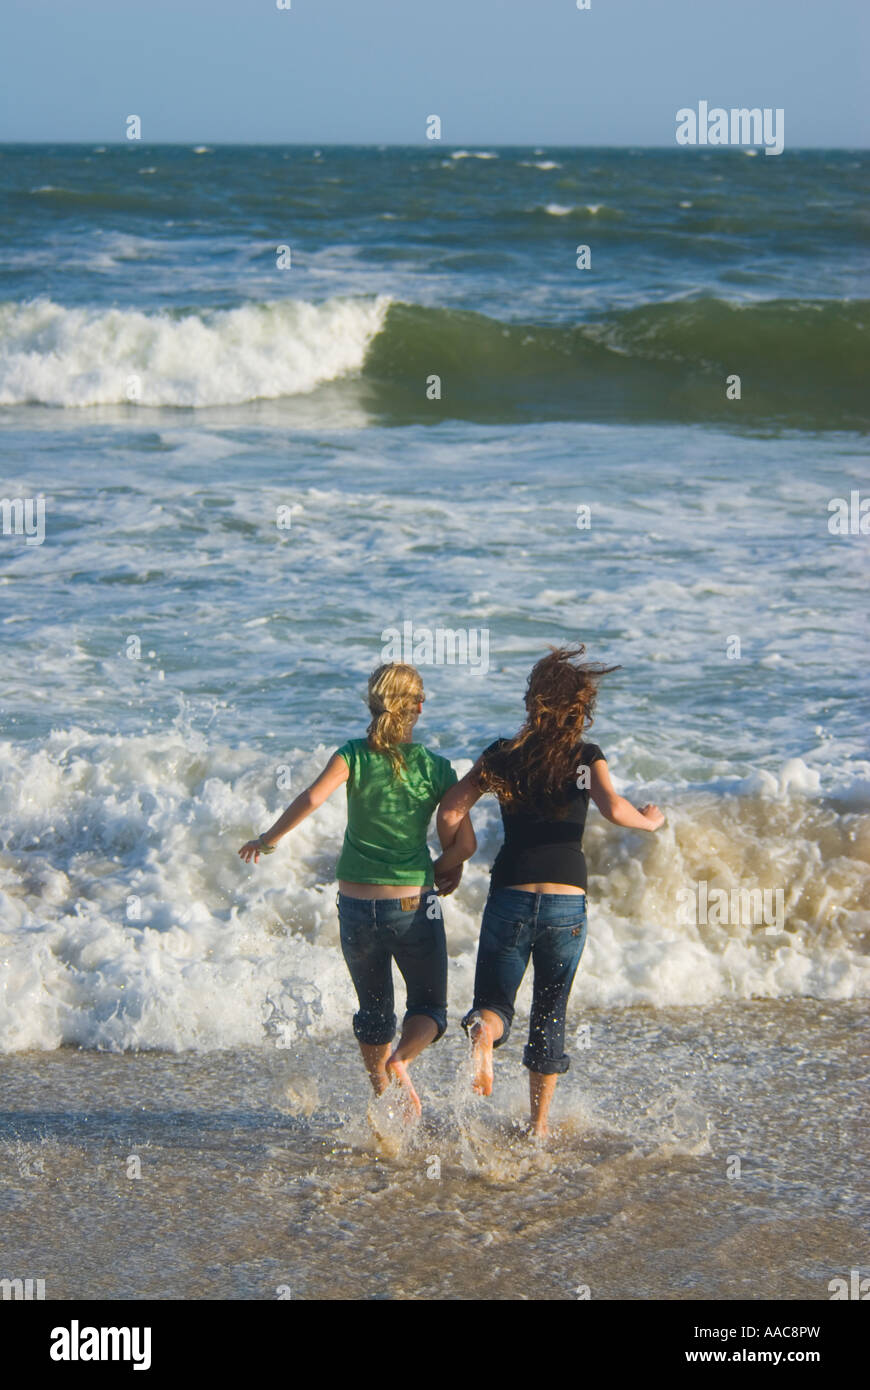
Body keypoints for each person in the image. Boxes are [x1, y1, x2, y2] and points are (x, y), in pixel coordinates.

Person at [437, 645, 664, 1138]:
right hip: (566, 902)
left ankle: (484, 1034)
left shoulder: (503, 755)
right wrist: (649, 822)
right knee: (549, 1011)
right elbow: (613, 808)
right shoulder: (586, 757)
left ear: (532, 702)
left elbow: (453, 808)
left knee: (496, 1004)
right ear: (579, 708)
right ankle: (538, 1128)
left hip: (510, 894)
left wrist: (450, 860)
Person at [239, 663, 475, 1118]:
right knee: (429, 1007)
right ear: (419, 708)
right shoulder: (438, 768)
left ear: (372, 704)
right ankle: (402, 1059)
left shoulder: (352, 754)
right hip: (412, 904)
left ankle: (383, 1097)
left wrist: (266, 840)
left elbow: (310, 798)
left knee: (374, 1011)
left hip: (354, 905)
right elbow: (465, 843)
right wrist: (446, 868)